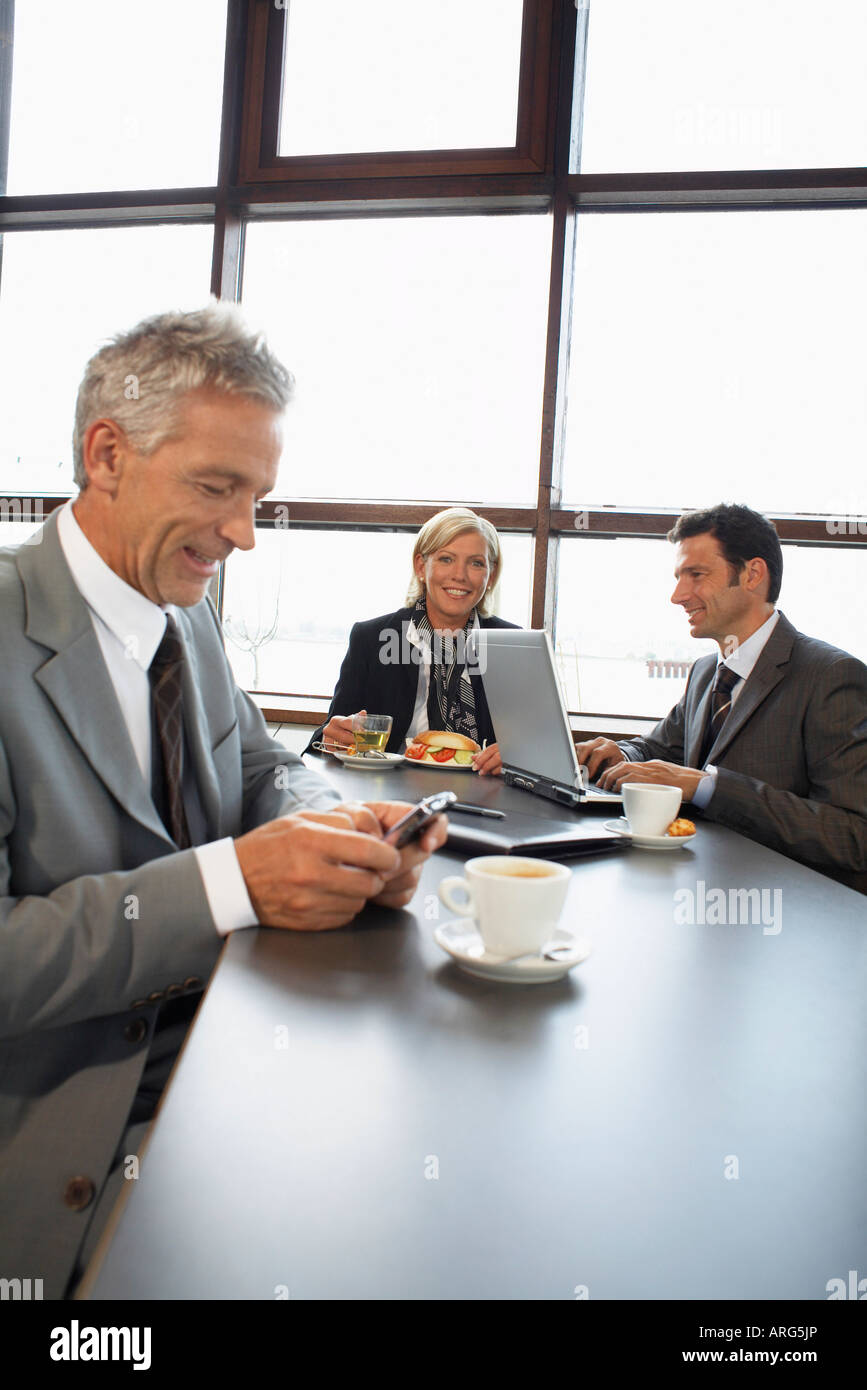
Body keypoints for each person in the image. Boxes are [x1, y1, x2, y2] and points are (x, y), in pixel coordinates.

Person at [0, 303, 447, 1299]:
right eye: (217, 488)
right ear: (106, 455)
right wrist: (230, 883)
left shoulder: (182, 616)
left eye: (259, 496)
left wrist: (336, 823)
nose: (244, 533)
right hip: (73, 1138)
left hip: (228, 1059)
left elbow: (262, 769)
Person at [577, 503, 867, 891]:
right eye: (679, 577)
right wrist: (620, 754)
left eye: (696, 575)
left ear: (753, 574)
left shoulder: (831, 676)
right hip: (694, 886)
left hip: (784, 912)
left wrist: (706, 786)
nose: (678, 595)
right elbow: (660, 750)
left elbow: (853, 836)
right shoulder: (704, 672)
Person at [308, 508, 519, 775]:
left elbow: (542, 747)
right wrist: (332, 739)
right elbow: (326, 738)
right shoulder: (371, 639)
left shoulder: (515, 647)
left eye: (476, 563)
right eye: (446, 559)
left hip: (488, 795)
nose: (460, 575)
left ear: (491, 574)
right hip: (388, 790)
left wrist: (521, 754)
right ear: (421, 566)